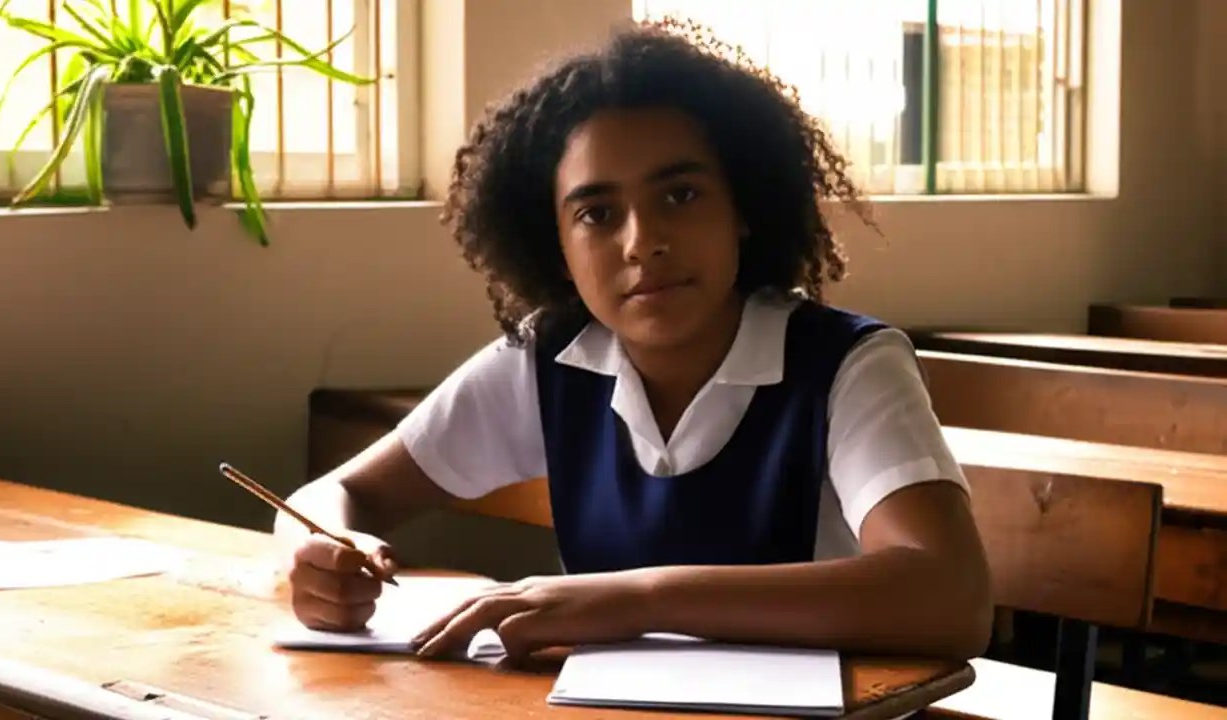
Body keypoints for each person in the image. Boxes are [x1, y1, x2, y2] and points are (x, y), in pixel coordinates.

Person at [276, 18, 993, 663]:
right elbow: (334, 494)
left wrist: (640, 598)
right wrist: (318, 551)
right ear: (556, 247)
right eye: (596, 213)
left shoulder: (846, 366)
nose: (643, 243)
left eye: (680, 196)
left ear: (742, 206)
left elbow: (950, 596)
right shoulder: (549, 360)